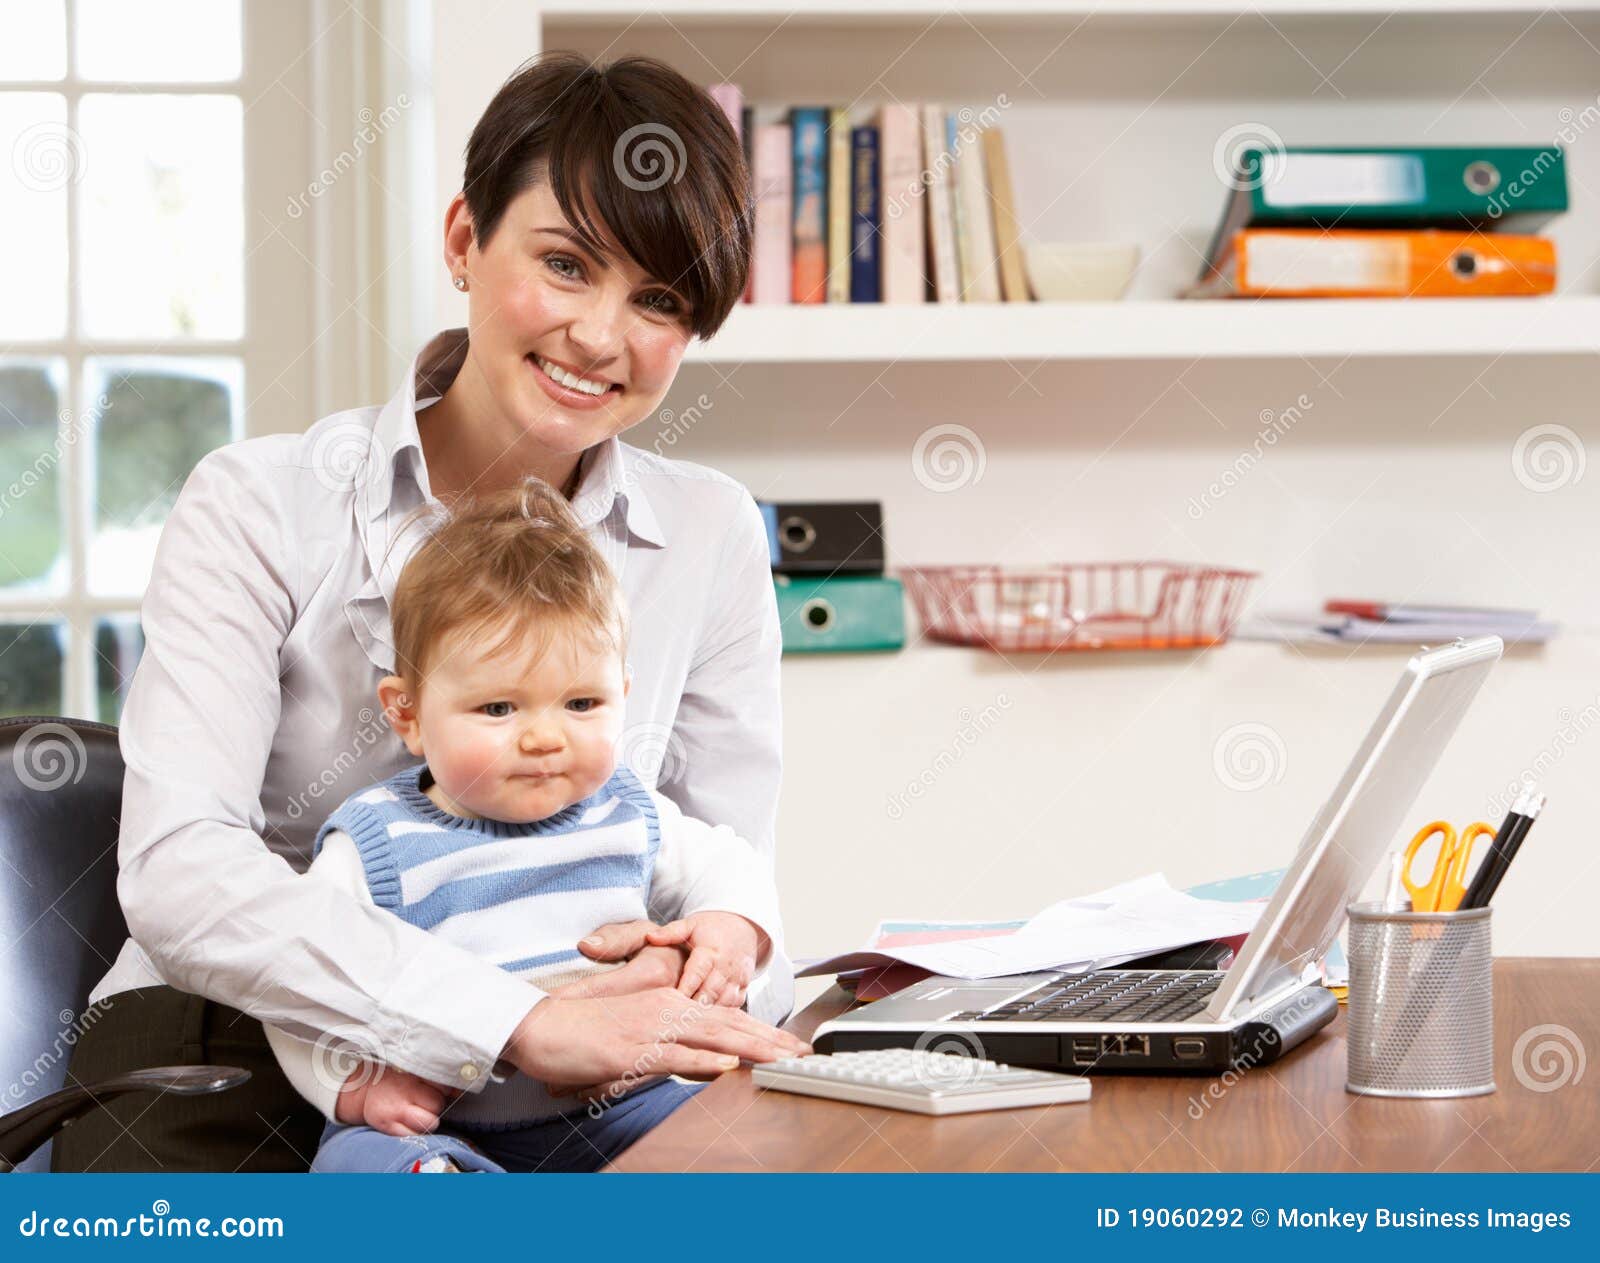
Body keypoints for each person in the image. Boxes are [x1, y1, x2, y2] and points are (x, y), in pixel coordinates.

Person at [52, 51, 799, 1173]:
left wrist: (711, 961)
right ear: (463, 240)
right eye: (563, 265)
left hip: (579, 1053)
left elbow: (723, 859)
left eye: (656, 299)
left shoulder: (709, 533)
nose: (601, 337)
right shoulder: (260, 504)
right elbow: (182, 872)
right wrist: (499, 1017)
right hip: (241, 1026)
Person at [263, 480, 798, 1173]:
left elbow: (729, 864)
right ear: (408, 713)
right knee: (357, 1163)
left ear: (623, 696)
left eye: (581, 701)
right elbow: (300, 979)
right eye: (497, 709)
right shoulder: (374, 842)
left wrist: (729, 925)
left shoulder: (627, 809)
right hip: (451, 1123)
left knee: (744, 1122)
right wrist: (355, 1085)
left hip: (622, 1107)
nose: (545, 736)